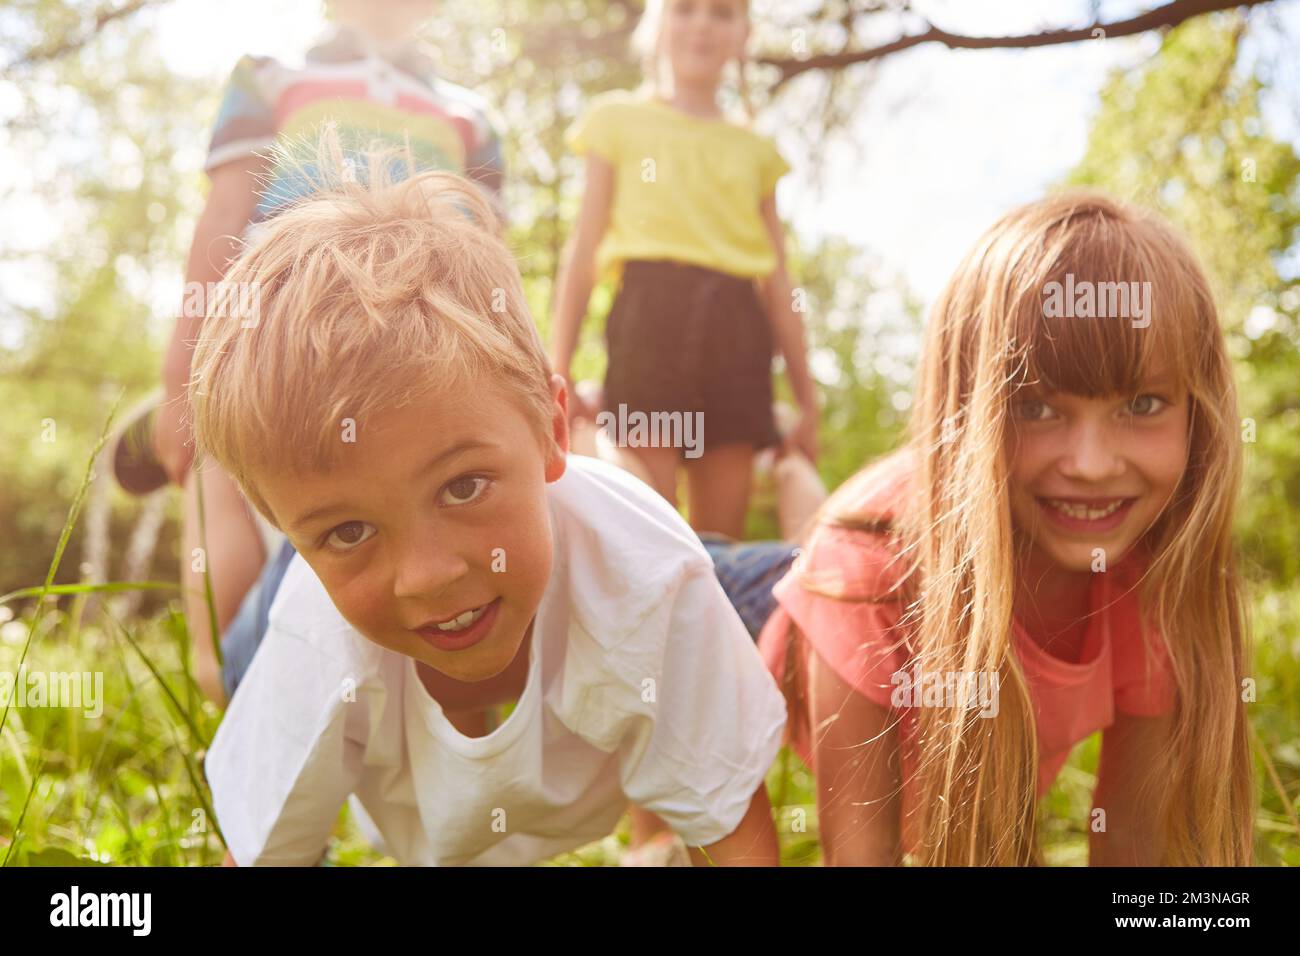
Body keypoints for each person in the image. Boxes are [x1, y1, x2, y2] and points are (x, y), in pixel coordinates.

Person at [193, 136, 786, 867]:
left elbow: (732, 830)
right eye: (347, 531)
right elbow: (261, 853)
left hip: (636, 615)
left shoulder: (652, 578)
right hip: (369, 744)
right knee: (237, 666)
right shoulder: (316, 645)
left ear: (549, 429)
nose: (428, 574)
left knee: (784, 585)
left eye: (463, 486)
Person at [758, 192, 1255, 865]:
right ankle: (785, 464)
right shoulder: (863, 568)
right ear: (962, 417)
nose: (1090, 465)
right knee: (759, 548)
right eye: (1035, 406)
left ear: (1199, 415)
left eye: (1141, 403)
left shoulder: (1157, 571)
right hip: (785, 591)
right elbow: (864, 856)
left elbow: (1132, 843)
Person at [111, 0, 504, 703]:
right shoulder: (269, 76)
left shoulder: (471, 115)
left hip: (424, 336)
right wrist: (182, 379)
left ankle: (349, 684)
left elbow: (490, 251)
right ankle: (225, 679)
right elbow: (226, 217)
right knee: (216, 460)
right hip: (282, 317)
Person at [550, 0, 817, 543]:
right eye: (686, 8)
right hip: (650, 321)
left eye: (722, 12)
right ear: (659, 23)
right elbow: (583, 248)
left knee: (717, 545)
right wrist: (557, 363)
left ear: (744, 33)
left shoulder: (756, 150)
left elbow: (780, 283)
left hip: (739, 334)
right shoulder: (616, 120)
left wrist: (806, 398)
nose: (702, 24)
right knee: (652, 533)